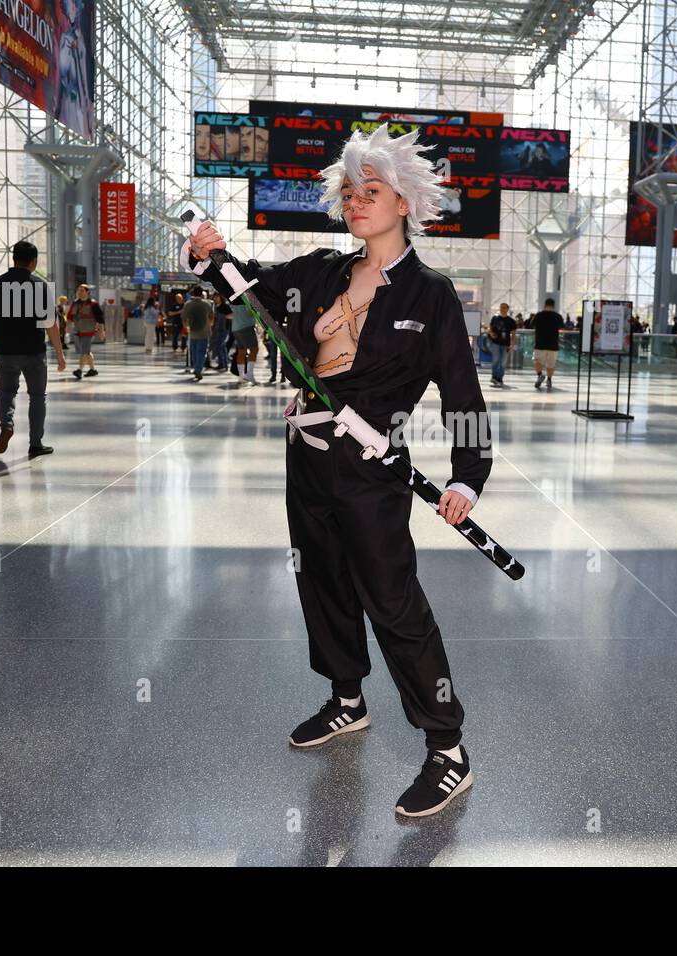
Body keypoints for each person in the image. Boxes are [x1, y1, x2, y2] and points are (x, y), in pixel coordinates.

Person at [187, 124, 490, 817]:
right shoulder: (321, 269)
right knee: (321, 583)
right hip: (308, 459)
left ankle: (448, 748)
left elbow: (462, 394)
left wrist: (468, 476)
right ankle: (346, 699)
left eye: (373, 192)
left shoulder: (430, 295)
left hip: (372, 472)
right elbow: (248, 288)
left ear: (405, 202)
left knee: (393, 603)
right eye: (351, 192)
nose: (358, 202)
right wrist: (211, 254)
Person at [0, 240, 67, 458]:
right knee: (37, 396)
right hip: (33, 351)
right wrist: (59, 353)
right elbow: (50, 324)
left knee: (7, 391)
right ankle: (36, 443)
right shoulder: (39, 286)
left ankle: (7, 426)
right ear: (33, 262)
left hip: (5, 350)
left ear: (13, 259)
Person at [66, 283, 104, 379]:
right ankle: (92, 370)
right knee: (86, 352)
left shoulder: (93, 304)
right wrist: (67, 326)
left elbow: (100, 319)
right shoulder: (75, 303)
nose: (79, 292)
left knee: (83, 351)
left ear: (87, 292)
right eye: (78, 290)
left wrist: (101, 331)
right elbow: (70, 316)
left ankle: (79, 370)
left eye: (82, 290)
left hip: (89, 331)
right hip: (78, 331)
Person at [182, 285, 214, 382]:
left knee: (194, 352)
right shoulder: (207, 304)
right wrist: (209, 325)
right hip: (204, 332)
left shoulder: (188, 304)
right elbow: (211, 317)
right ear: (201, 293)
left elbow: (184, 319)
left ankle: (196, 368)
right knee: (202, 352)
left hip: (192, 332)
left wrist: (186, 327)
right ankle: (198, 369)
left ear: (193, 293)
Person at [531, 296, 563, 391]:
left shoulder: (538, 315)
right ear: (553, 306)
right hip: (553, 344)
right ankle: (549, 380)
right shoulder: (558, 316)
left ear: (545, 305)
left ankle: (540, 375)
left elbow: (531, 325)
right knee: (551, 364)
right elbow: (561, 327)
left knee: (537, 361)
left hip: (540, 343)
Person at [229, 296, 258, 385]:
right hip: (246, 326)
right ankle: (249, 375)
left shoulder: (233, 298)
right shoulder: (247, 298)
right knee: (254, 349)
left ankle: (241, 377)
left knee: (241, 351)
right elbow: (250, 313)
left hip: (235, 327)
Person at [487, 302, 517, 387]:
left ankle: (499, 378)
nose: (502, 309)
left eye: (504, 307)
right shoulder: (495, 318)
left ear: (507, 309)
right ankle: (494, 377)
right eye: (501, 307)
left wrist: (512, 345)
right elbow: (490, 328)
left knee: (503, 362)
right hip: (495, 343)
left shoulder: (511, 321)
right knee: (495, 360)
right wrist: (491, 333)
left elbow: (514, 334)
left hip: (505, 344)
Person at [210, 292, 230, 371]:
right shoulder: (215, 307)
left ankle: (222, 364)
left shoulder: (225, 307)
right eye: (214, 297)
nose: (215, 298)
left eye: (217, 297)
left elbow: (232, 315)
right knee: (222, 347)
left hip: (224, 329)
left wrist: (223, 317)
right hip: (217, 330)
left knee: (219, 346)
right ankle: (224, 364)